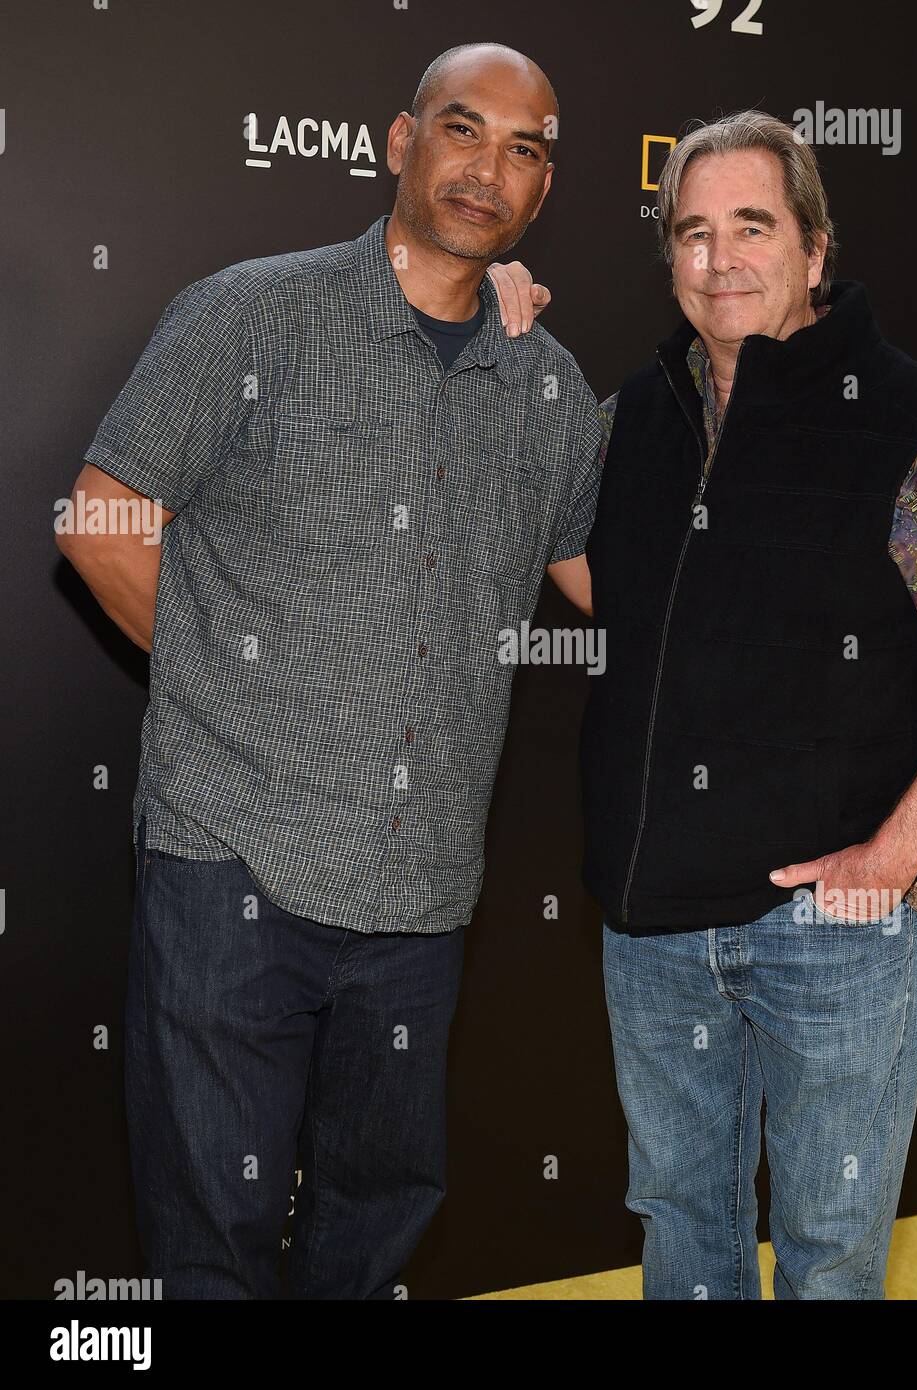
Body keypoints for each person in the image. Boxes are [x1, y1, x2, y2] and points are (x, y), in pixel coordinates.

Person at [55, 41, 600, 1299]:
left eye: (524, 149)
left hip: (420, 897)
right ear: (400, 144)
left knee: (374, 1234)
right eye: (463, 130)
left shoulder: (546, 385)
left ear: (543, 192)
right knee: (209, 1244)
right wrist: (228, 687)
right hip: (231, 863)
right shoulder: (255, 311)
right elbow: (100, 516)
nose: (489, 167)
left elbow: (617, 589)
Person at [525, 109, 917, 1299]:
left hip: (830, 941)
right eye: (694, 233)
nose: (720, 260)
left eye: (751, 226)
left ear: (814, 249)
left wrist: (889, 855)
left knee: (828, 1256)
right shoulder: (634, 417)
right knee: (680, 1237)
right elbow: (612, 589)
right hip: (652, 930)